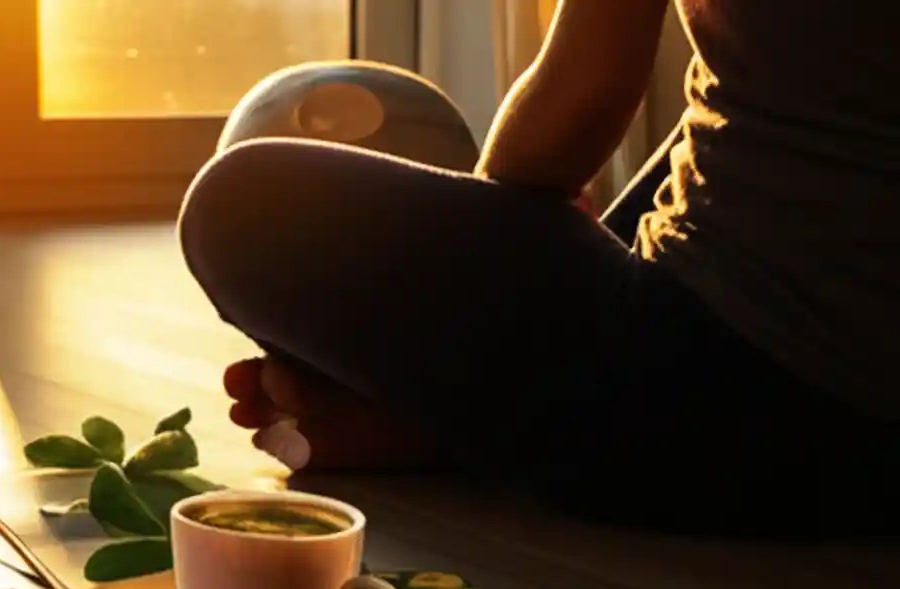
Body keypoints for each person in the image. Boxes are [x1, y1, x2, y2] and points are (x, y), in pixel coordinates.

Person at [177, 0, 900, 534]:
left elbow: (569, 119)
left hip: (762, 399)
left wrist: (449, 328)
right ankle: (498, 423)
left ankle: (465, 428)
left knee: (240, 206)